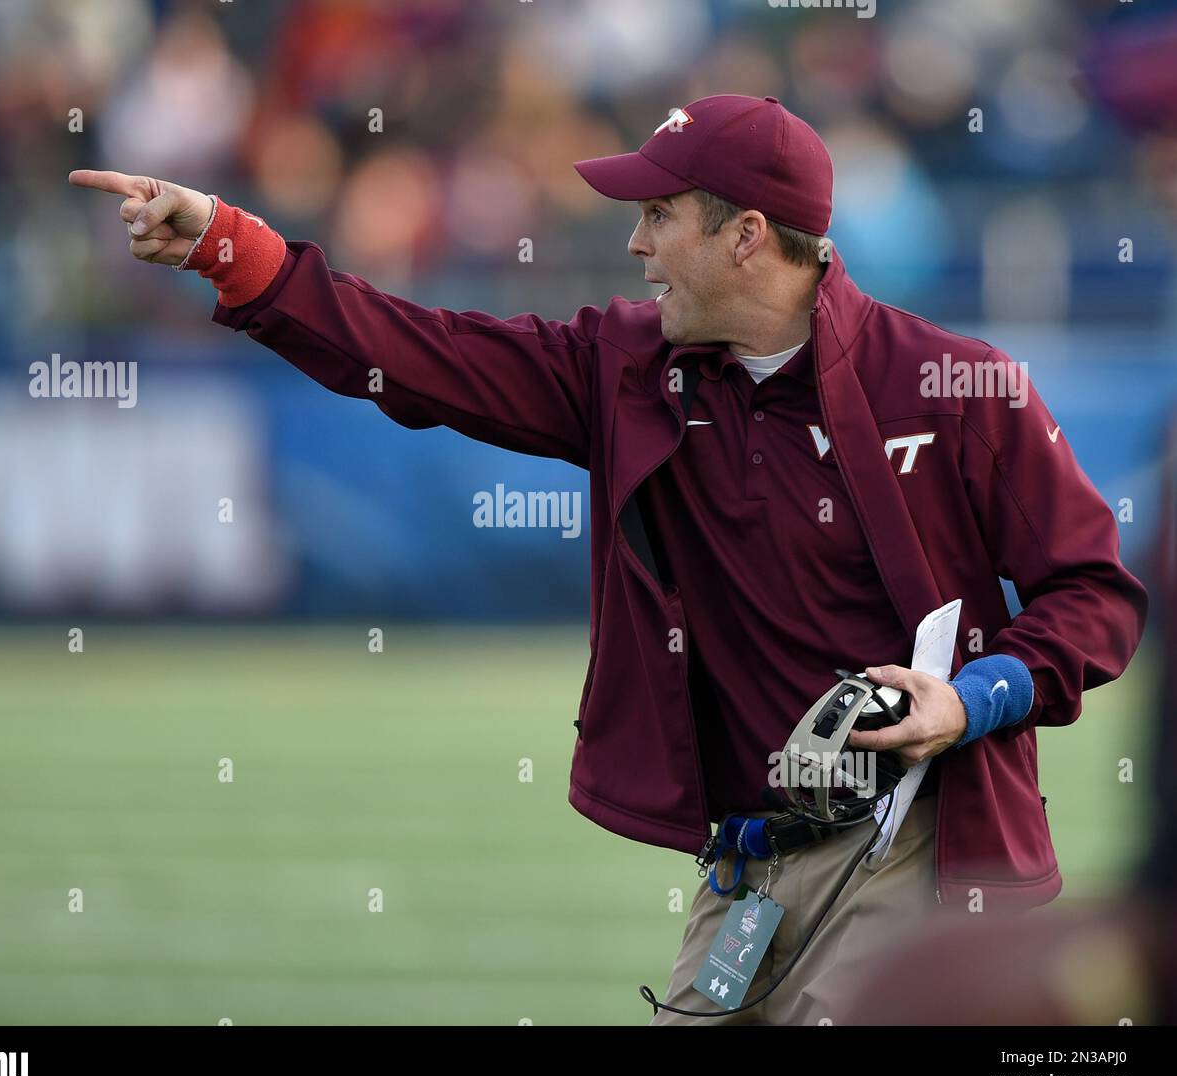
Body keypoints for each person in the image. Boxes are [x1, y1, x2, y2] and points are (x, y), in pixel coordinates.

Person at [70, 94, 1148, 1025]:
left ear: (747, 236)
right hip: (744, 866)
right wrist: (229, 246)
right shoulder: (621, 364)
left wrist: (972, 697)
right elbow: (418, 356)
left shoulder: (960, 383)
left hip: (912, 843)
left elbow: (1094, 594)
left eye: (657, 213)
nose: (634, 244)